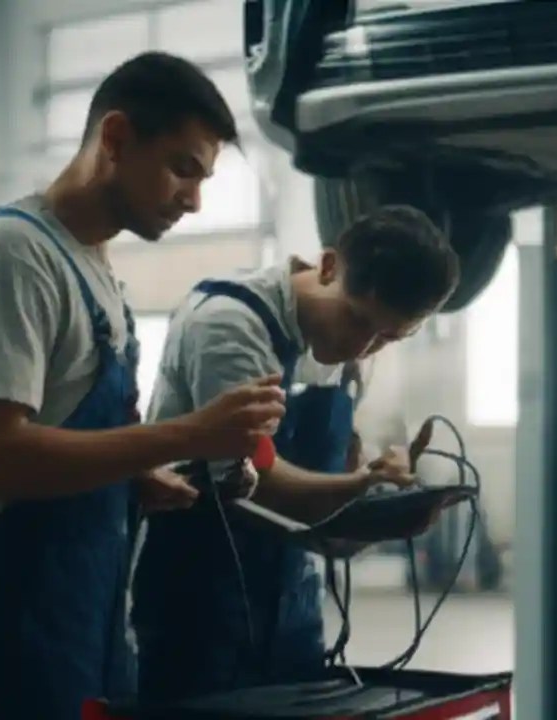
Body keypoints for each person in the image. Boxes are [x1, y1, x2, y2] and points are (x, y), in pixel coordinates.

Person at [0, 52, 286, 720]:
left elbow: (55, 425)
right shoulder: (13, 257)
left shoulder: (97, 270)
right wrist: (192, 433)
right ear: (114, 139)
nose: (194, 201)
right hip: (1, 610)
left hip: (81, 612)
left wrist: (131, 479)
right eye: (182, 168)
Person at [131, 205, 461, 703]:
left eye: (390, 337)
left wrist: (375, 481)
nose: (363, 345)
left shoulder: (356, 359)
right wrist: (362, 494)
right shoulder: (231, 325)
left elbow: (337, 468)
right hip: (198, 602)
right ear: (328, 267)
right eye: (356, 319)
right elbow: (256, 481)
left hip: (295, 603)